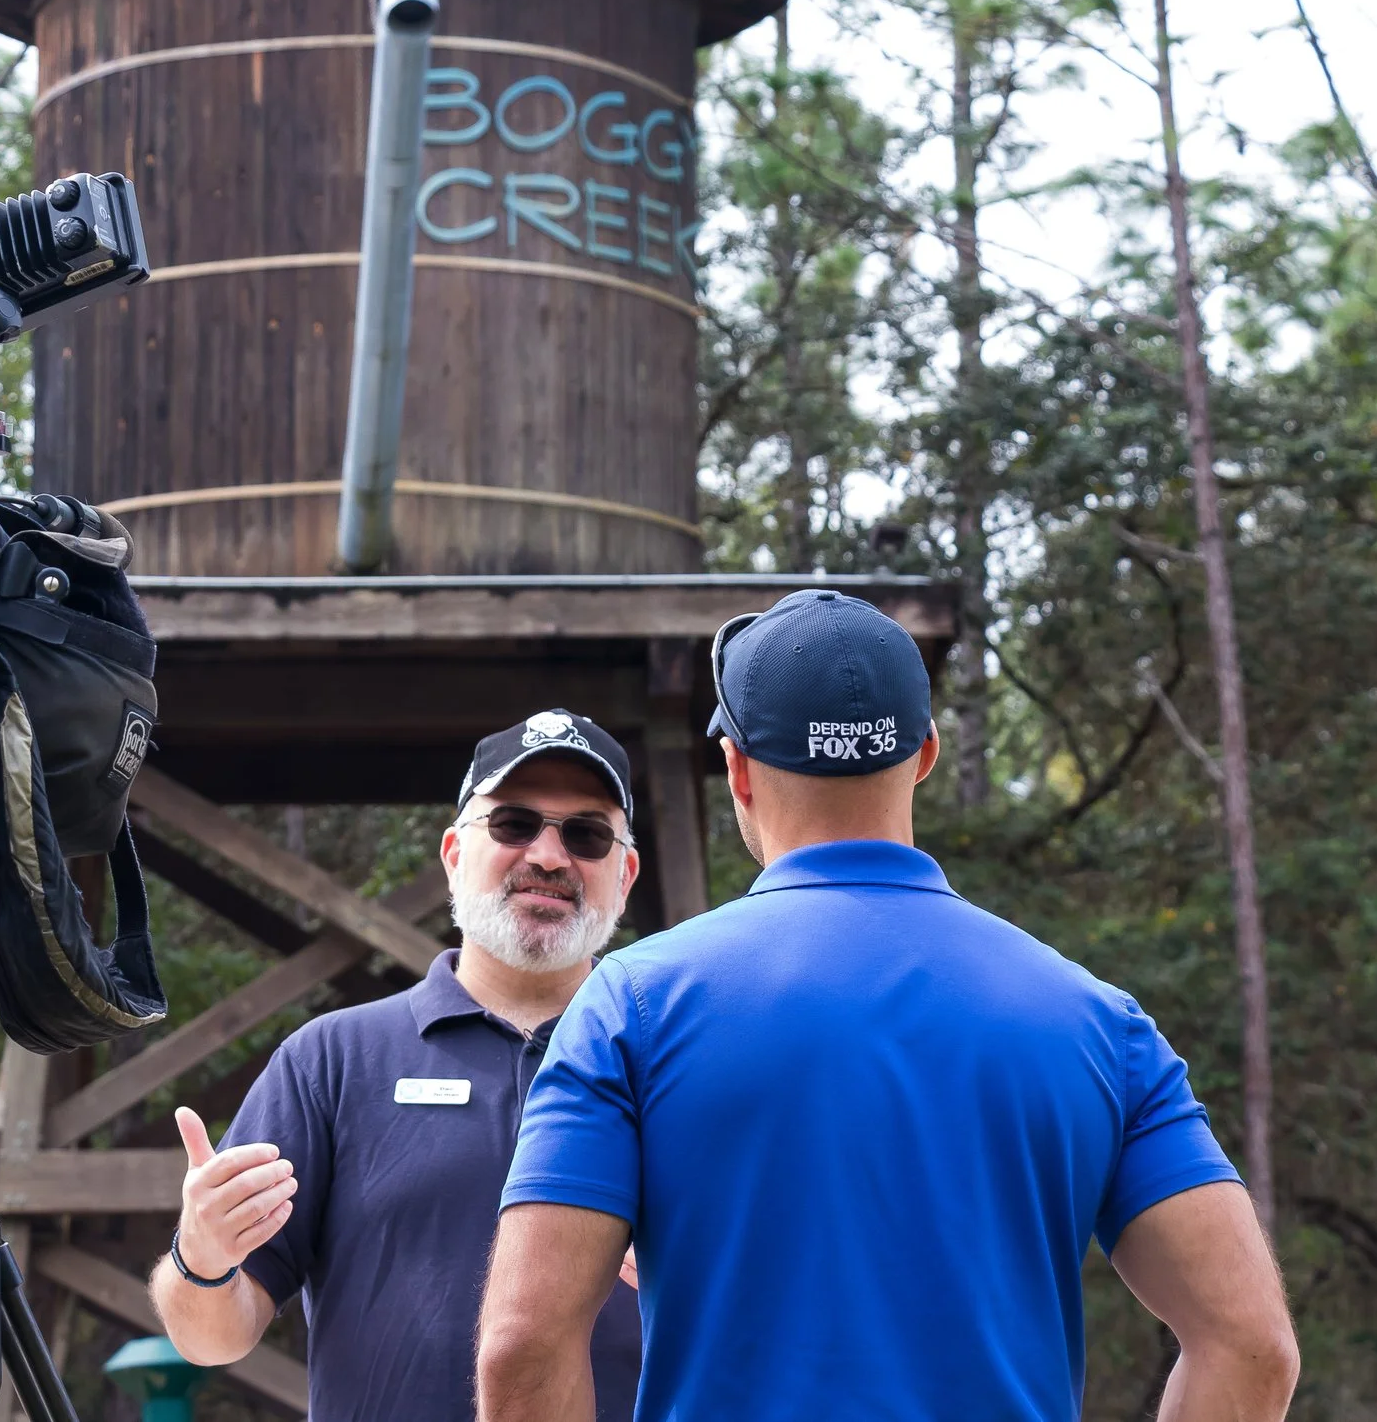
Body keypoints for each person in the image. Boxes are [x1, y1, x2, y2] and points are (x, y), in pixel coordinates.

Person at [477, 590, 1300, 1422]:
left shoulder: (631, 1004)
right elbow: (1251, 1344)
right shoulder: (1099, 1021)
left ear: (735, 767)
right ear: (926, 752)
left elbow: (525, 1346)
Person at [151, 708, 648, 1420]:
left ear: (624, 872)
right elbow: (209, 1337)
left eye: (587, 834)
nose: (548, 855)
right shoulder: (330, 1060)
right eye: (512, 823)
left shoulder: (674, 1063)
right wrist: (200, 1255)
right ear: (453, 852)